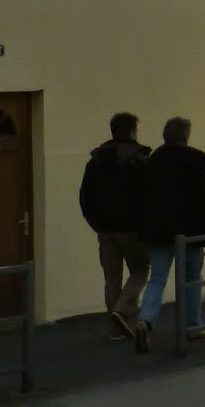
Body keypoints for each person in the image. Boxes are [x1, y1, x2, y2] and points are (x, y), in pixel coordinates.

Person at [133, 117, 205, 352]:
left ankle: (146, 320)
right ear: (186, 136)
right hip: (189, 231)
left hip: (159, 232)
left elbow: (144, 200)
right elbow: (203, 200)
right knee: (191, 278)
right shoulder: (196, 160)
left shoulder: (152, 161)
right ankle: (193, 325)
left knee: (157, 278)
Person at [78, 112, 151, 341]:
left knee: (111, 278)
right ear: (132, 131)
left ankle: (116, 329)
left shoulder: (96, 161)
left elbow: (85, 197)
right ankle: (123, 310)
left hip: (105, 228)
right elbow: (150, 196)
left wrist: (95, 222)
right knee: (140, 271)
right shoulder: (140, 161)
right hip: (132, 228)